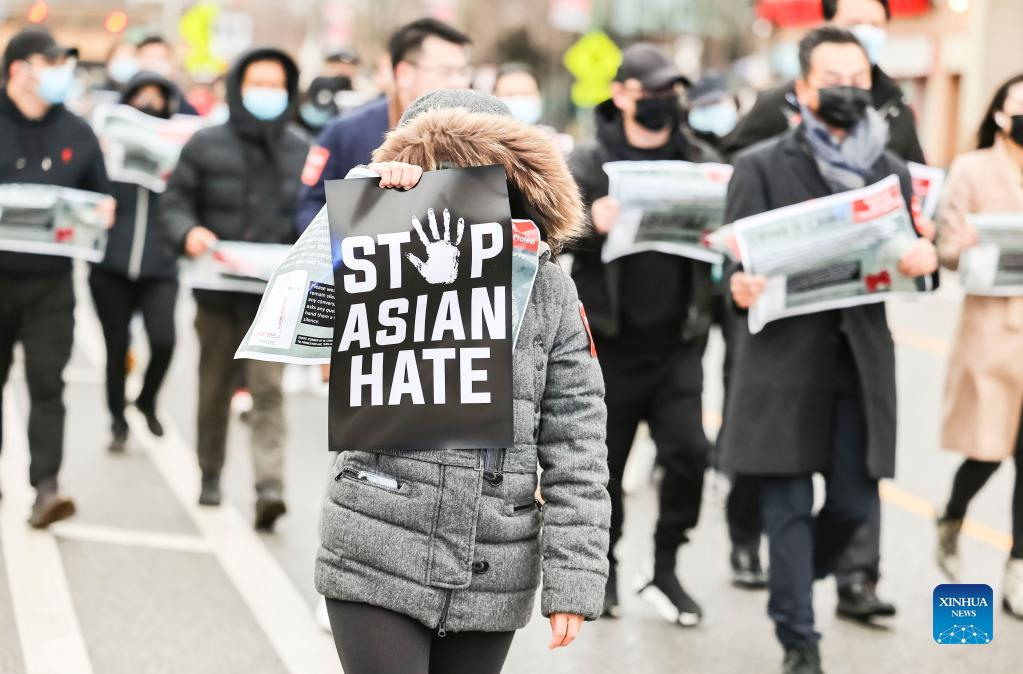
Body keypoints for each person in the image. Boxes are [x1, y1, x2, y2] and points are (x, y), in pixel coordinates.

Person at [315, 88, 610, 674]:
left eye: (481, 173)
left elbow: (577, 439)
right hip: (375, 539)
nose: (460, 190)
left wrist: (574, 576)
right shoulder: (378, 252)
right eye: (438, 171)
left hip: (493, 564)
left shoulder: (549, 288)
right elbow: (304, 315)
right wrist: (368, 197)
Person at [720, 27, 937, 674]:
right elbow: (724, 271)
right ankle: (798, 639)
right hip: (783, 364)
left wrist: (922, 261)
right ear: (804, 88)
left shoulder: (889, 172)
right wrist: (736, 286)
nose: (847, 91)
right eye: (832, 81)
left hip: (858, 362)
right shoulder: (759, 165)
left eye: (857, 79)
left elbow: (916, 268)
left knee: (850, 504)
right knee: (785, 504)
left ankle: (794, 582)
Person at [568, 43, 718, 625]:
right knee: (605, 465)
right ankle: (603, 568)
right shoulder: (588, 163)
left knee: (689, 455)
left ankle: (666, 567)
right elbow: (551, 232)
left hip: (678, 342)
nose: (664, 101)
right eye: (653, 90)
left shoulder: (700, 158)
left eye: (671, 91)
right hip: (609, 344)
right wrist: (590, 224)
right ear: (624, 94)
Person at [160, 47, 309, 530]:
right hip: (217, 293)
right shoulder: (205, 144)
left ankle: (270, 487)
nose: (266, 92)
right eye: (257, 82)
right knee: (215, 386)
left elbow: (314, 212)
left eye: (275, 84)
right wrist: (188, 232)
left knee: (268, 392)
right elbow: (176, 199)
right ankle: (210, 471)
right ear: (239, 86)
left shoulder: (302, 149)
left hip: (274, 298)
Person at [0, 28, 115, 527]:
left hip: (50, 281)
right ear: (19, 69)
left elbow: (100, 194)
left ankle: (45, 488)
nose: (58, 74)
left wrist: (105, 212)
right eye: (49, 63)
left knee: (48, 384)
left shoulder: (76, 130)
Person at [933, 73, 1023, 620]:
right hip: (993, 329)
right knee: (988, 449)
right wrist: (960, 247)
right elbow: (943, 247)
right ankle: (953, 513)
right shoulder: (971, 169)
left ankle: (1017, 569)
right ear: (1000, 112)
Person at [293, 17, 472, 233]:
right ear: (404, 73)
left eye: (462, 72)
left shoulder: (476, 136)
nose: (459, 83)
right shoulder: (344, 132)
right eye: (446, 72)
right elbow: (310, 207)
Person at [89, 70, 182, 454]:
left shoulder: (181, 149)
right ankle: (117, 419)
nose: (149, 102)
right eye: (140, 94)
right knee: (116, 347)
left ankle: (146, 400)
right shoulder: (107, 145)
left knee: (163, 339)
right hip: (110, 263)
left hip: (159, 264)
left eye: (156, 96)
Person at [135, 35, 198, 115]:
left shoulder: (178, 98)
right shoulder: (126, 94)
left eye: (159, 59)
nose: (154, 64)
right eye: (150, 58)